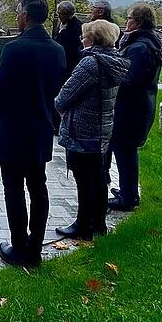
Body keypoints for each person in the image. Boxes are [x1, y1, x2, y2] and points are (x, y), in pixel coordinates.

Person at [0, 0, 66, 267]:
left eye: (17, 12)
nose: (17, 17)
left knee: (13, 190)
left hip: (13, 130)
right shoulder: (57, 50)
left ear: (24, 15)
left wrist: (1, 112)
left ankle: (19, 246)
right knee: (38, 187)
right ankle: (35, 247)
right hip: (42, 129)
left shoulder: (14, 49)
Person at [54, 20, 129, 241]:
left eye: (84, 36)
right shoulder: (114, 62)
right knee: (98, 178)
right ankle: (98, 223)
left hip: (83, 131)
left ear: (93, 39)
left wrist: (58, 104)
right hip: (102, 129)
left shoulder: (90, 63)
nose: (81, 39)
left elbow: (63, 98)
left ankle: (82, 225)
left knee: (84, 180)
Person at [106, 2, 162, 212]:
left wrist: (110, 74)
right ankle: (127, 191)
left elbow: (129, 80)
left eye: (129, 18)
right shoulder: (149, 43)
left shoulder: (140, 47)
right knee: (126, 150)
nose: (126, 21)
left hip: (130, 109)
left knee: (125, 150)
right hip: (139, 106)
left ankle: (128, 198)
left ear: (139, 21)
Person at [54, 0, 84, 77]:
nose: (60, 16)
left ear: (70, 14)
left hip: (70, 63)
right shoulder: (61, 24)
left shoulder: (77, 27)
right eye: (59, 14)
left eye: (63, 14)